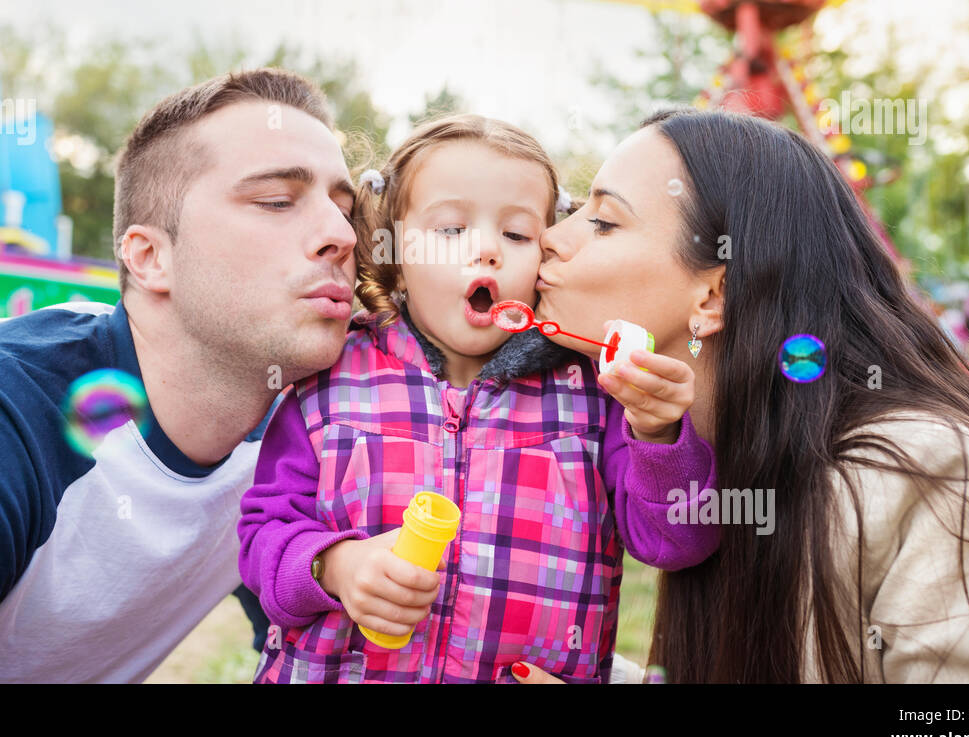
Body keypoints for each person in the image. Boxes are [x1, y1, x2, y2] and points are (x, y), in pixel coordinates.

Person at [0, 68, 357, 682]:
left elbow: (315, 642)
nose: (342, 236)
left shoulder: (303, 439)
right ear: (149, 256)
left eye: (346, 209)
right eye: (276, 201)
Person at [514, 107, 969, 683]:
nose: (550, 238)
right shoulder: (717, 468)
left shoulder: (933, 475)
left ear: (714, 294)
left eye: (602, 221)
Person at [238, 113, 720, 684]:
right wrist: (336, 566)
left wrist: (660, 435)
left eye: (517, 235)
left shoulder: (593, 396)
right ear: (397, 257)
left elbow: (675, 540)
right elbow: (263, 539)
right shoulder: (329, 379)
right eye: (450, 229)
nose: (488, 250)